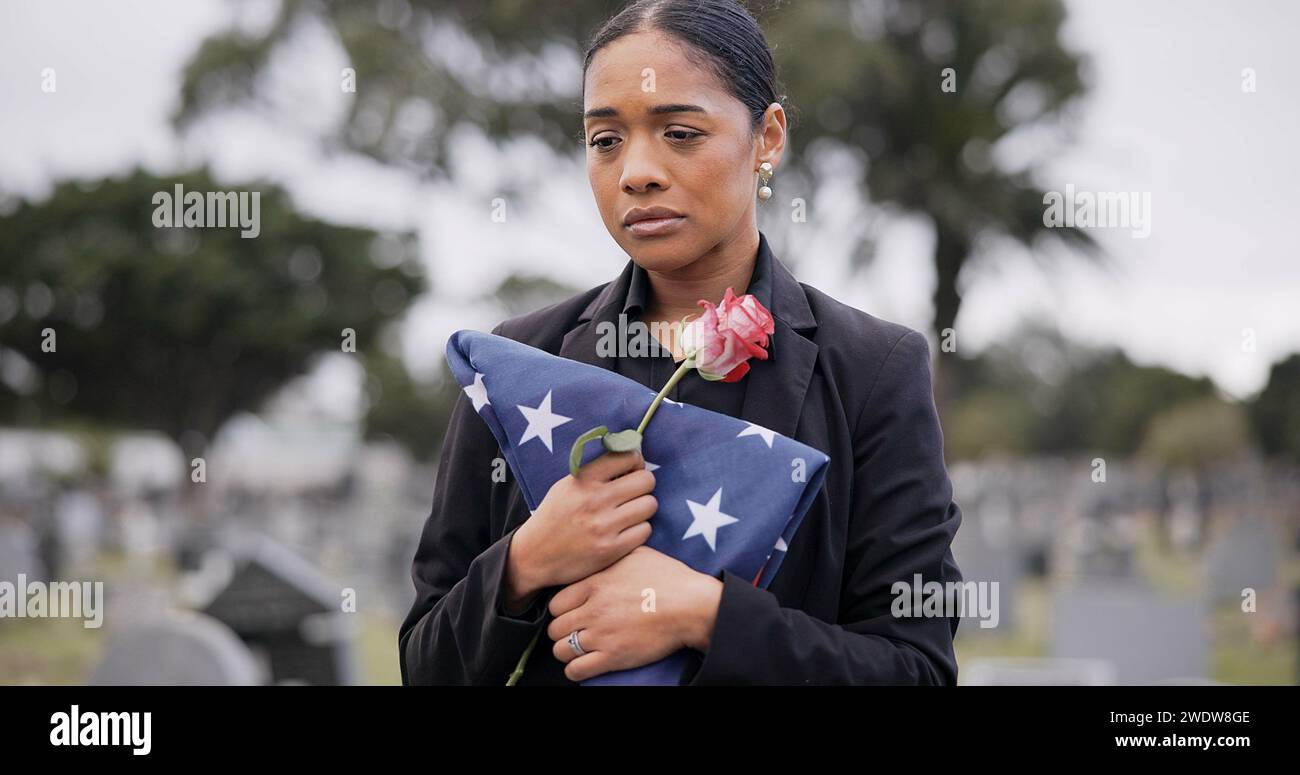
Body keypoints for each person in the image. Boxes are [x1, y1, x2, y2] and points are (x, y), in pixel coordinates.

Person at [399, 0, 963, 685]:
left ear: (768, 137)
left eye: (681, 132)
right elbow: (426, 665)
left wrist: (705, 613)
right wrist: (526, 561)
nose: (636, 170)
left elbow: (916, 668)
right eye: (605, 140)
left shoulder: (872, 372)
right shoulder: (515, 364)